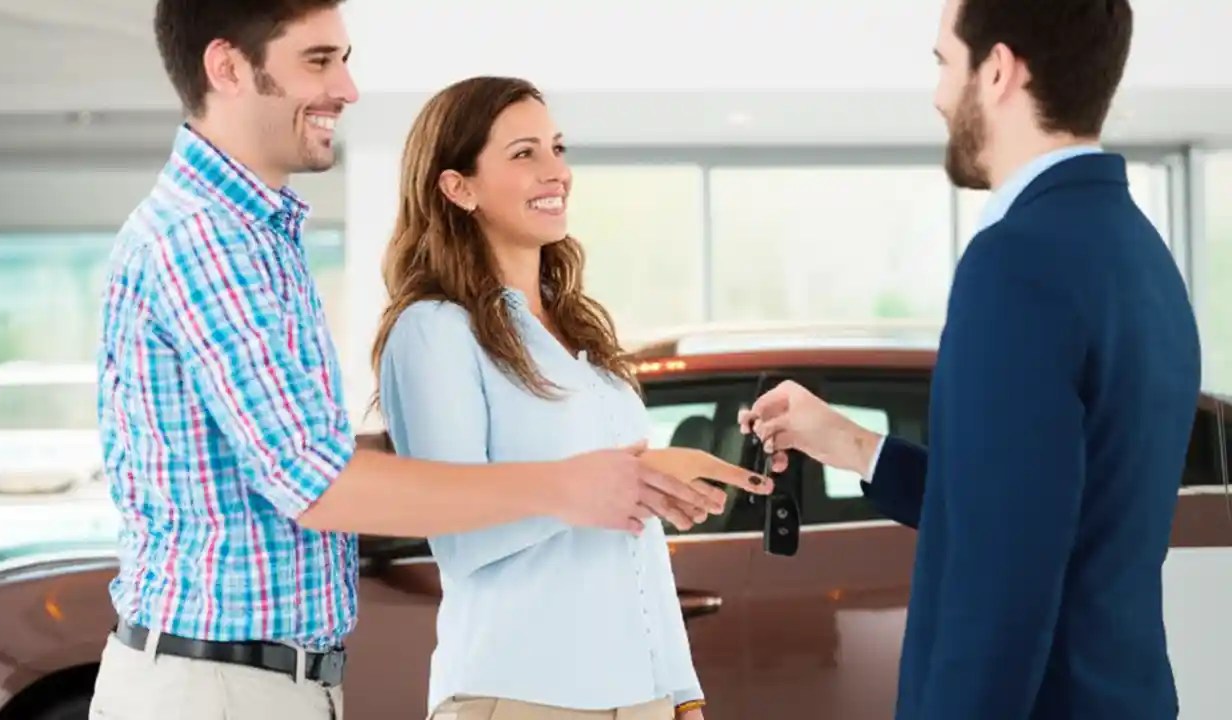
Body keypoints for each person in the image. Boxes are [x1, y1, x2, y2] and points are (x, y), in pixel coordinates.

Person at [90, 4, 740, 719]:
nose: (348, 87)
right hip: (218, 685)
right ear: (227, 68)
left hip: (274, 679)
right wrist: (586, 484)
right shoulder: (206, 241)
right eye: (318, 61)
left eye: (344, 58)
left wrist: (679, 686)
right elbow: (316, 480)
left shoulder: (262, 236)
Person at [741, 1, 1200, 719]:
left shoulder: (1017, 260)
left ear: (996, 71)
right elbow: (1028, 512)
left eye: (942, 63)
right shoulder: (1140, 255)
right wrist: (853, 446)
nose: (935, 94)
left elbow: (1002, 581)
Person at [372, 76, 770, 720]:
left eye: (557, 148)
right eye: (525, 153)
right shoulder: (434, 331)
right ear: (458, 186)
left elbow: (635, 547)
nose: (556, 171)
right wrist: (620, 481)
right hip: (520, 695)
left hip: (640, 698)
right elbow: (459, 538)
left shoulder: (578, 332)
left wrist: (682, 691)